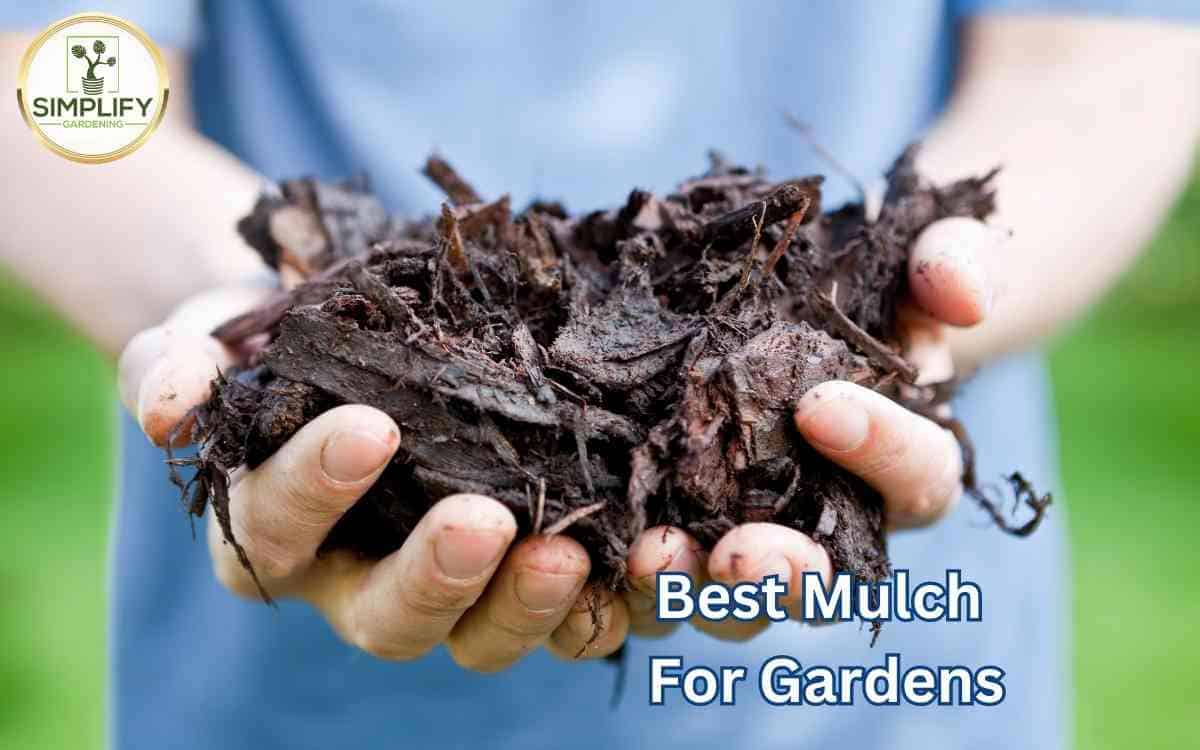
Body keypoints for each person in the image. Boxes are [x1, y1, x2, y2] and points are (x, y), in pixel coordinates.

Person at [1, 2, 1196, 748]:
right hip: (290, 698)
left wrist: (917, 289)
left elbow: (1104, 59)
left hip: (884, 696)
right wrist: (245, 305)